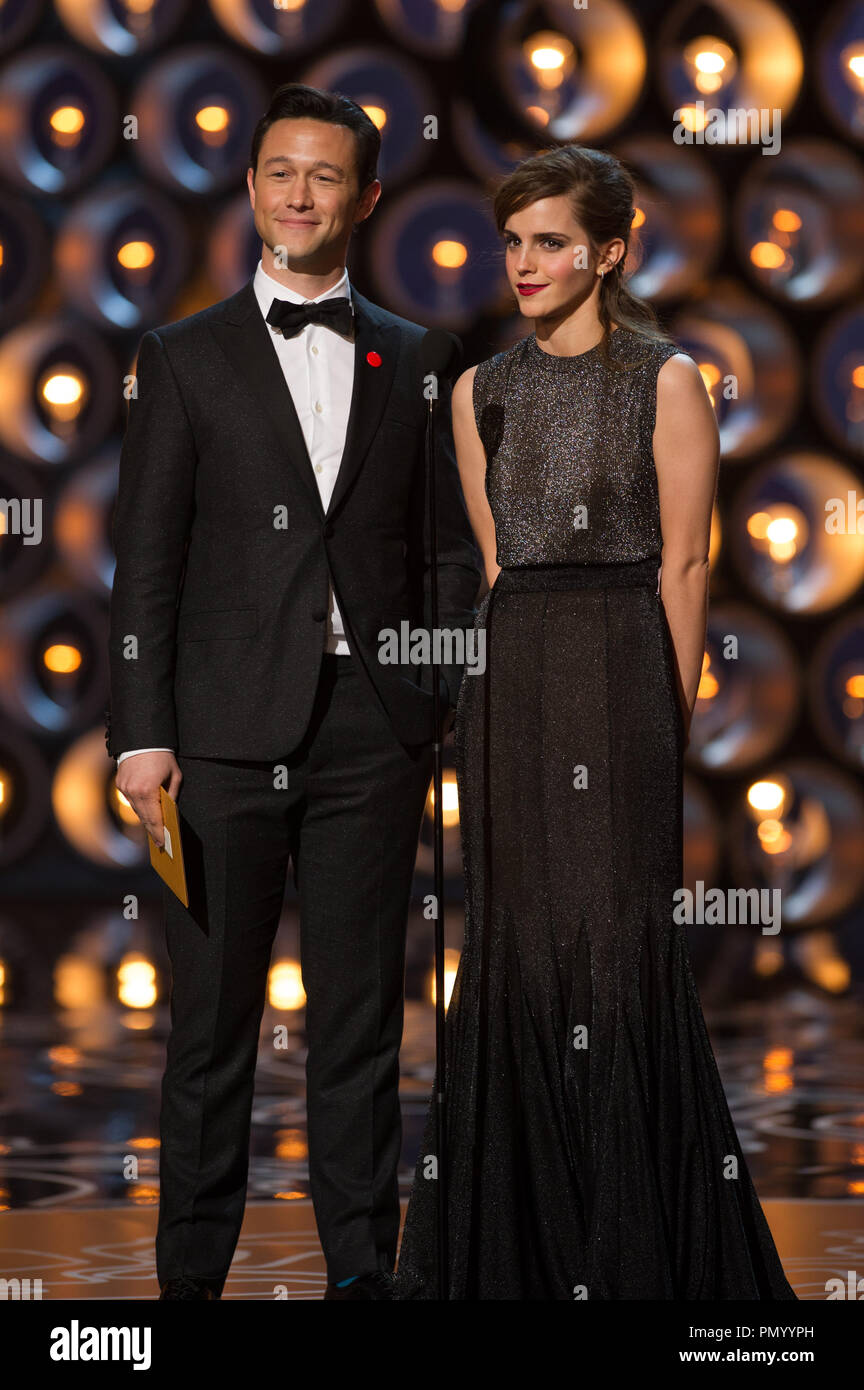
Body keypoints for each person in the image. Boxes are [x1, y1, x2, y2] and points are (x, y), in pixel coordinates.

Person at [394, 145, 798, 1300]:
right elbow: (493, 563)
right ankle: (511, 1258)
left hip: (623, 664)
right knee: (515, 949)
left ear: (610, 251)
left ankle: (642, 1263)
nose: (525, 264)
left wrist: (663, 723)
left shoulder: (666, 378)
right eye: (513, 242)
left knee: (621, 955)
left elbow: (683, 565)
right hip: (516, 676)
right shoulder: (480, 392)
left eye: (552, 242)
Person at [106, 82, 481, 1301]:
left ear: (366, 196)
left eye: (325, 176)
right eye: (280, 172)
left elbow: (441, 559)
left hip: (372, 734)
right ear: (253, 187)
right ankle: (188, 1292)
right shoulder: (181, 355)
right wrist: (139, 738)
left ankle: (363, 1279)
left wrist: (427, 708)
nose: (301, 195)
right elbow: (146, 566)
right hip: (213, 742)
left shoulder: (420, 356)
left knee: (361, 1028)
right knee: (209, 1035)